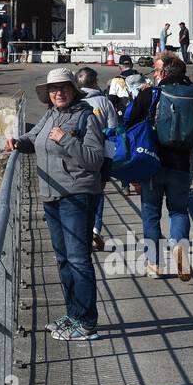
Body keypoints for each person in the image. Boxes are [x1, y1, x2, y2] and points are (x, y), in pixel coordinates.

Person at [4, 68, 106, 341]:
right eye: (53, 89)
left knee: (78, 259)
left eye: (63, 88)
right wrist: (17, 142)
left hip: (77, 195)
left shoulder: (86, 117)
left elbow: (96, 159)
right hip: (51, 194)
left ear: (74, 90)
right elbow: (34, 138)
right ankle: (73, 314)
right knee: (62, 259)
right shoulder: (51, 115)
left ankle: (86, 323)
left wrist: (67, 140)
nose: (58, 93)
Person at [124, 53, 193, 281]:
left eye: (156, 71)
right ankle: (178, 245)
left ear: (164, 73)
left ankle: (154, 263)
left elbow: (130, 129)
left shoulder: (150, 94)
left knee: (151, 213)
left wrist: (130, 170)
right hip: (182, 165)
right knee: (178, 211)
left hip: (151, 164)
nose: (154, 75)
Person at [75, 67, 117, 251]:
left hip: (78, 154)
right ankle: (95, 228)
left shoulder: (74, 102)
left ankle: (79, 231)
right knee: (98, 193)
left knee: (78, 191)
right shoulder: (104, 102)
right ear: (95, 82)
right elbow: (114, 128)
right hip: (102, 155)